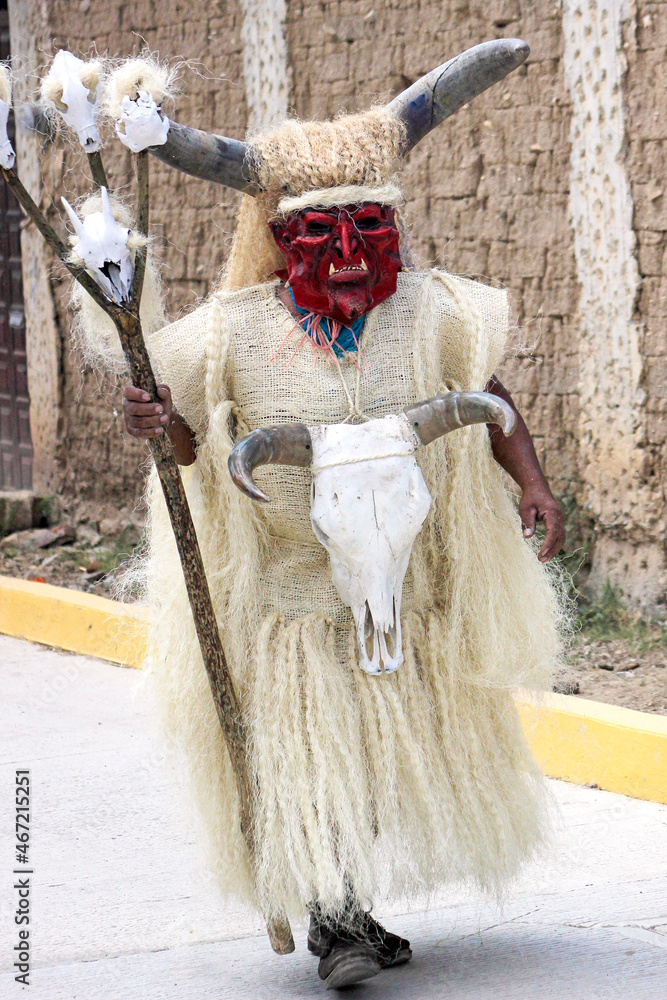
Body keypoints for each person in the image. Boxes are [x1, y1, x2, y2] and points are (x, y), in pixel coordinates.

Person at [99, 42, 566, 991]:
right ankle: (338, 923)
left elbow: (489, 392)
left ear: (391, 227)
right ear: (281, 241)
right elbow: (185, 440)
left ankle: (355, 911)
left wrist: (531, 481)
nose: (349, 256)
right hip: (295, 593)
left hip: (408, 582)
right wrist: (157, 421)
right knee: (316, 755)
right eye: (321, 234)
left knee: (389, 752)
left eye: (368, 228)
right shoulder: (233, 330)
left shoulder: (427, 310)